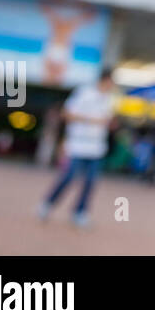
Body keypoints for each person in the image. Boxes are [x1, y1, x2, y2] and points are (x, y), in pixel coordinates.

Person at [37, 68, 116, 228]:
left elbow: (107, 120)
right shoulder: (84, 93)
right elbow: (67, 114)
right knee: (69, 177)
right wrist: (90, 120)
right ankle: (48, 204)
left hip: (96, 147)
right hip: (78, 144)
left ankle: (80, 213)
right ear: (106, 80)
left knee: (91, 182)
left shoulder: (109, 99)